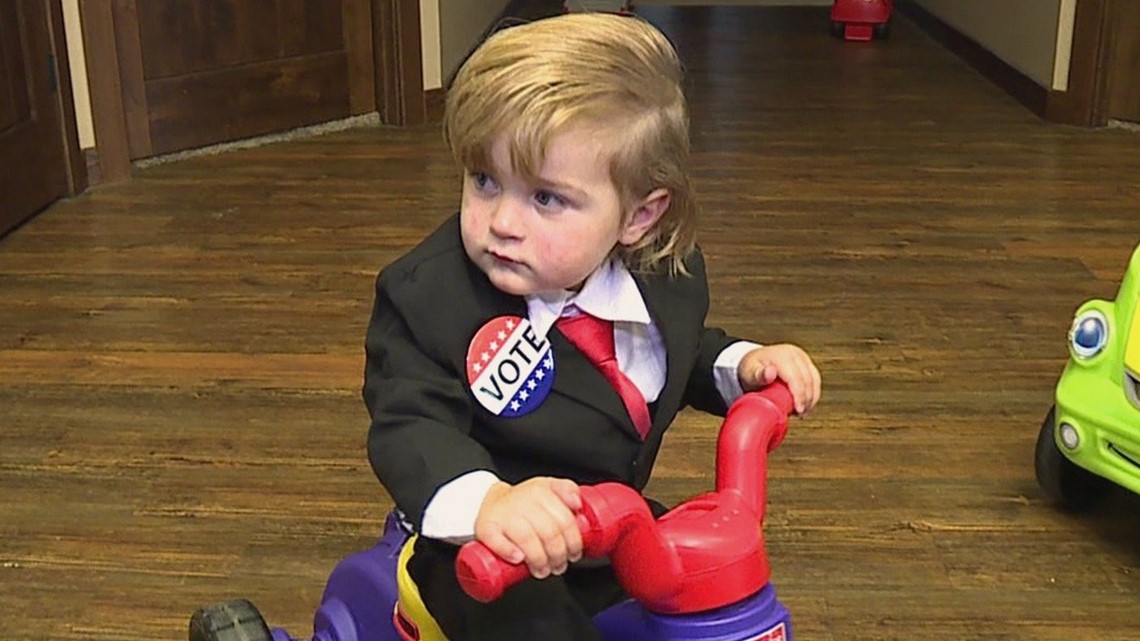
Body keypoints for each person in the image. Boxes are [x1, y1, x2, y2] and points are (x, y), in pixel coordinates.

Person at [362, 12, 821, 640]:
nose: (502, 221)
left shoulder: (666, 276)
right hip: (493, 551)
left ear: (638, 216)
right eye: (485, 180)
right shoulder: (429, 298)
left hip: (609, 525)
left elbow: (671, 357)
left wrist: (740, 367)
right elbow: (410, 423)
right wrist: (490, 503)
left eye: (545, 198)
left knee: (692, 592)